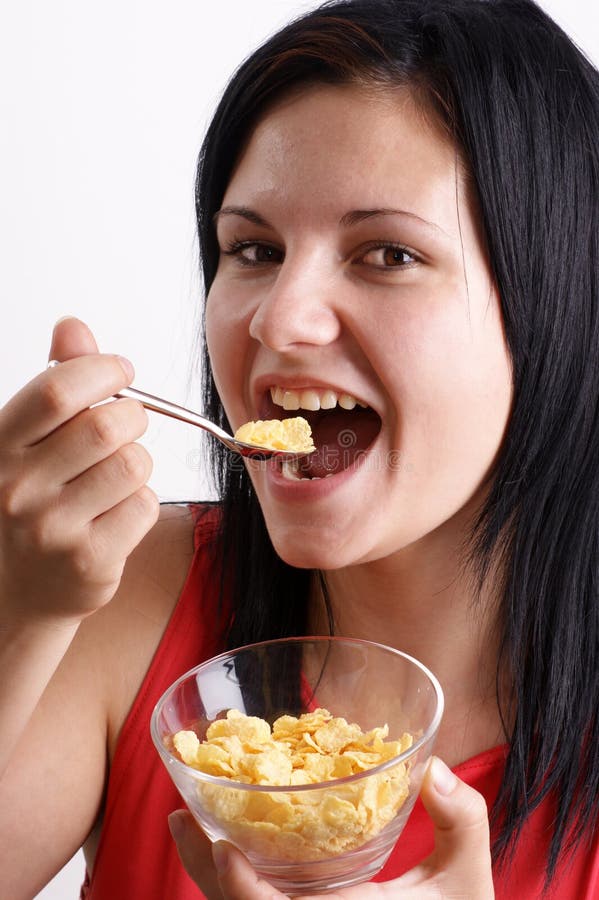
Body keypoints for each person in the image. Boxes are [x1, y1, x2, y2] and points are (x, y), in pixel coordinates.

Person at [2, 0, 599, 896]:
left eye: (387, 254)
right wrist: (18, 613)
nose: (277, 317)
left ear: (558, 303)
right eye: (253, 248)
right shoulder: (118, 599)